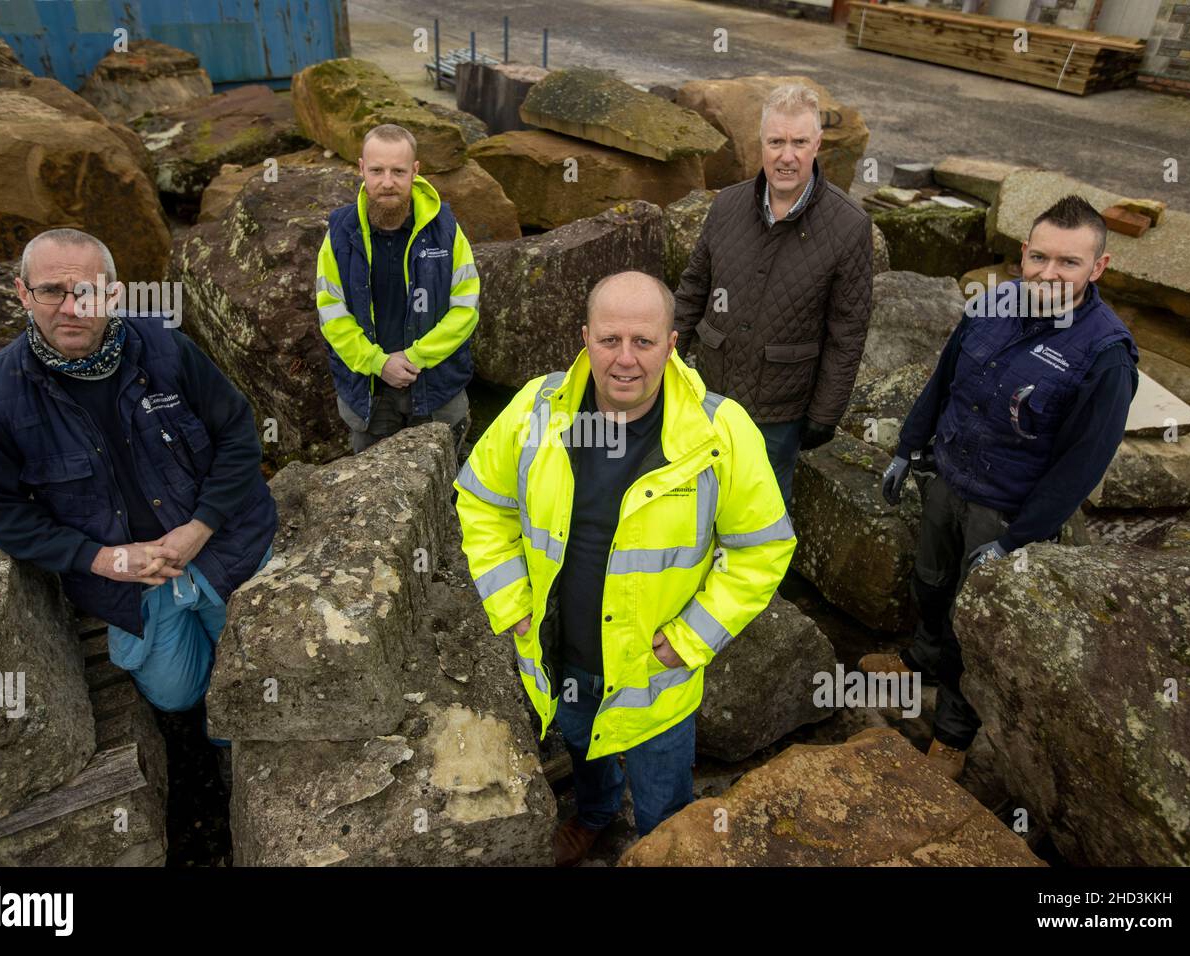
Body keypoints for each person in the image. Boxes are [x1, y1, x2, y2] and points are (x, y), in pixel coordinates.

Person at [454, 271, 795, 865]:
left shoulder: (720, 432)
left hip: (655, 678)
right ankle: (595, 816)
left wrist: (689, 640)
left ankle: (659, 846)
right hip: (561, 656)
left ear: (672, 343)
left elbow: (762, 547)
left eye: (643, 341)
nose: (625, 359)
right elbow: (481, 499)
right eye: (610, 340)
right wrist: (510, 603)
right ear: (585, 338)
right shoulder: (537, 410)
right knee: (584, 752)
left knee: (665, 803)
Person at [866, 195, 1139, 781]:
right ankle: (919, 660)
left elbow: (1080, 467)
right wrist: (907, 448)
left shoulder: (1105, 356)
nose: (1049, 272)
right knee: (930, 580)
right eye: (1039, 257)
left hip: (1007, 510)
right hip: (950, 478)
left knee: (975, 617)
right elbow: (943, 382)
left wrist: (1018, 540)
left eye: (1069, 262)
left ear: (1099, 268)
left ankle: (954, 732)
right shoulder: (993, 302)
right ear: (1023, 253)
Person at [0, 228, 277, 729]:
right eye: (50, 291)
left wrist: (200, 527)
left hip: (224, 545)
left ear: (113, 293)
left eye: (86, 291)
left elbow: (238, 434)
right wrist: (100, 559)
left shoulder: (167, 348)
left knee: (259, 670)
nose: (70, 308)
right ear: (23, 293)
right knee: (176, 696)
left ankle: (232, 746)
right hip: (126, 584)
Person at [674, 82, 873, 513]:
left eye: (799, 142)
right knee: (694, 503)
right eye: (776, 141)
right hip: (710, 392)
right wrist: (665, 364)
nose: (787, 156)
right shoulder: (725, 206)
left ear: (817, 144)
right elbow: (693, 290)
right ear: (760, 143)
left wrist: (825, 414)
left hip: (780, 412)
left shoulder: (850, 226)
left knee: (761, 514)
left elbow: (848, 332)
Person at [316, 123, 479, 456]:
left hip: (437, 389)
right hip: (370, 394)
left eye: (398, 171)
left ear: (415, 171)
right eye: (376, 170)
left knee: (447, 484)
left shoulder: (446, 230)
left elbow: (466, 308)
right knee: (371, 492)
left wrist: (415, 356)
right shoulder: (338, 236)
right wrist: (378, 363)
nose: (387, 182)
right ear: (361, 168)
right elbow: (331, 313)